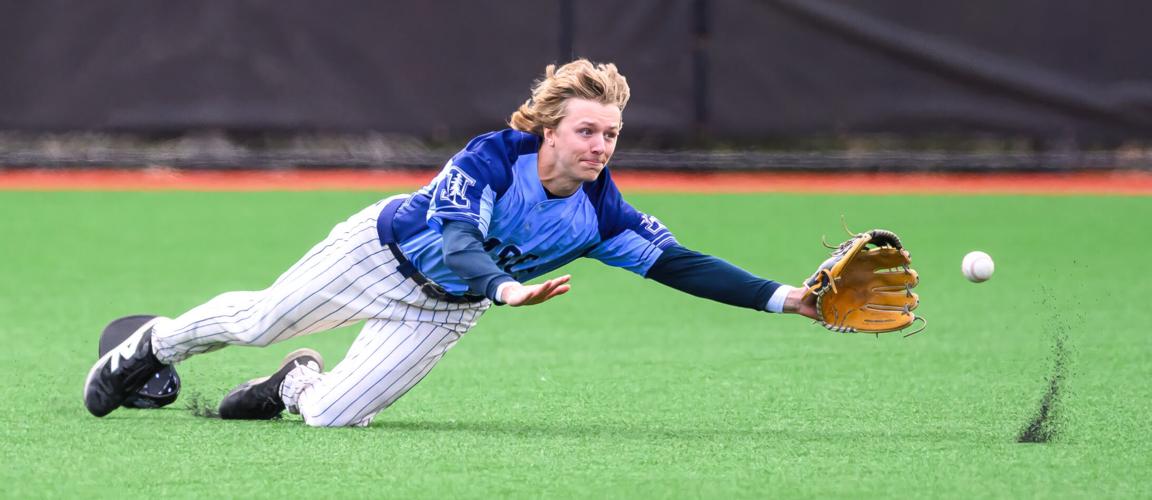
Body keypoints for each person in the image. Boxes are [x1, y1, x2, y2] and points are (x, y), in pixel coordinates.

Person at [83, 59, 817, 427]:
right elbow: (462, 240)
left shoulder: (603, 213)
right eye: (588, 130)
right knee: (258, 320)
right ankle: (150, 345)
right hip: (377, 254)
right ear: (551, 129)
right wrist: (505, 288)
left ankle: (290, 383)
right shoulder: (493, 156)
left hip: (444, 309)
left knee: (335, 418)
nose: (601, 145)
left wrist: (792, 300)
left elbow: (681, 265)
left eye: (611, 134)